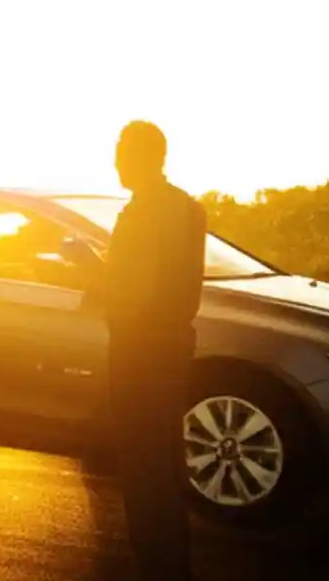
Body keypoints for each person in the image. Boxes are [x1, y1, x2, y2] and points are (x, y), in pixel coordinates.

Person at [103, 120, 206, 580]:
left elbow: (138, 288)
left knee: (142, 465)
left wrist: (100, 287)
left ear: (140, 156)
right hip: (173, 344)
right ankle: (173, 565)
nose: (116, 161)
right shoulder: (186, 207)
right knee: (165, 461)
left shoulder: (144, 211)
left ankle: (155, 566)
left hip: (140, 348)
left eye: (122, 152)